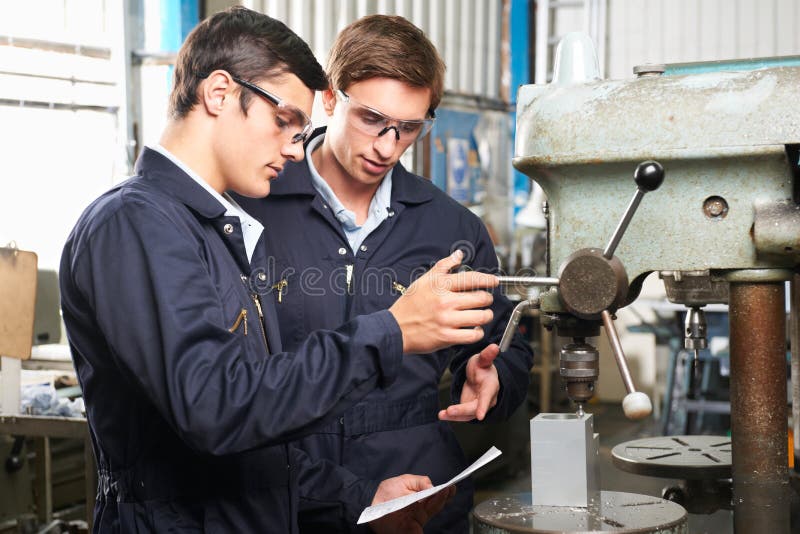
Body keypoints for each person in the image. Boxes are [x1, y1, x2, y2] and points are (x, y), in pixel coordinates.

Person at [59, 7, 501, 533]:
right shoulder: (134, 224)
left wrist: (359, 499)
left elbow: (256, 432)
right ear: (220, 93)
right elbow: (216, 409)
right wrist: (394, 330)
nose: (295, 147)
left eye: (406, 130)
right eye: (285, 120)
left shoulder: (211, 229)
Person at [233, 14, 534, 533]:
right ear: (329, 98)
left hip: (419, 494)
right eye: (372, 119)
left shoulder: (450, 228)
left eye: (410, 128)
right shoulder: (253, 208)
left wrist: (493, 377)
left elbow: (502, 341)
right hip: (290, 498)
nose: (388, 146)